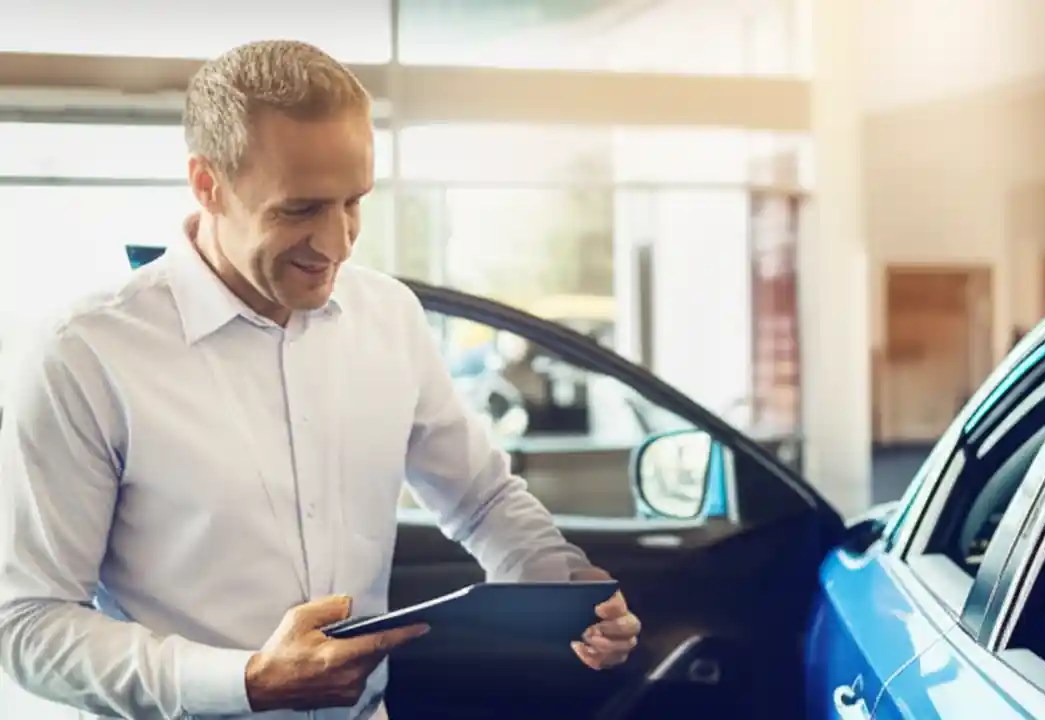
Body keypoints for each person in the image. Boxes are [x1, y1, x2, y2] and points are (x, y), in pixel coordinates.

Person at [0, 40, 639, 719]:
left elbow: (480, 499)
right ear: (208, 183)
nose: (336, 244)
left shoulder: (388, 316)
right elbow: (29, 626)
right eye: (298, 210)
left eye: (354, 203)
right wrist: (244, 680)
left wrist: (565, 593)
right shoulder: (84, 354)